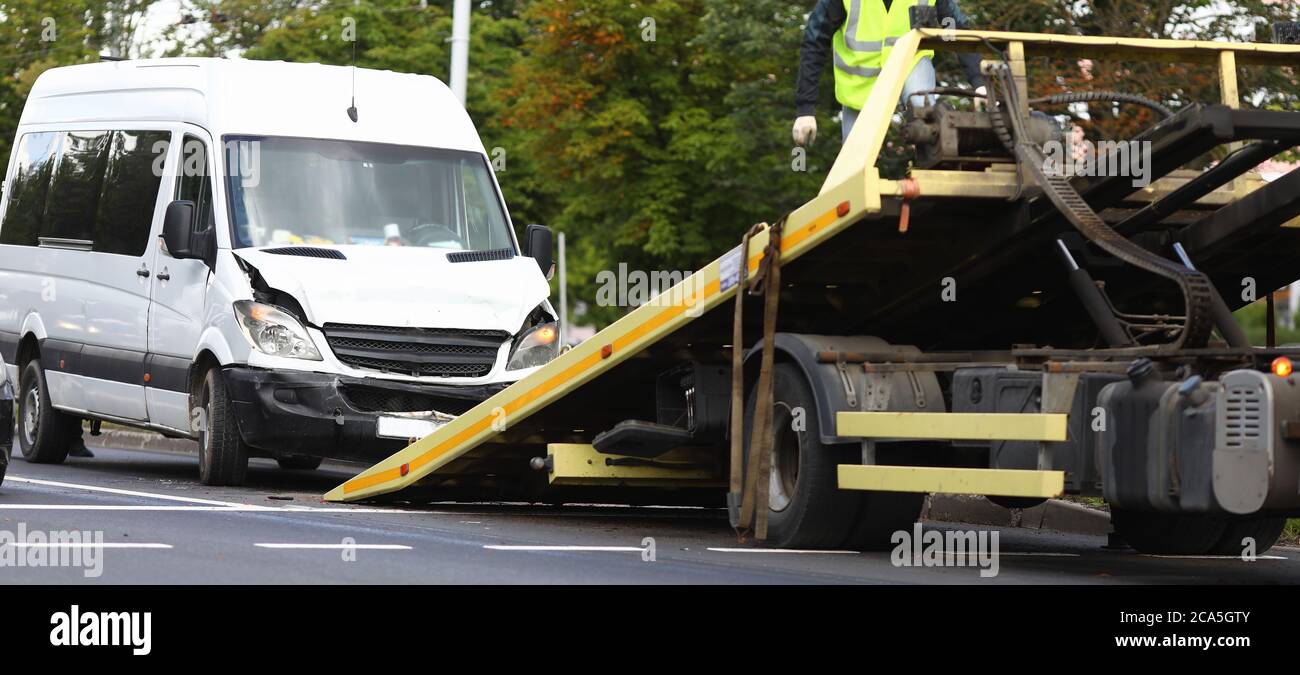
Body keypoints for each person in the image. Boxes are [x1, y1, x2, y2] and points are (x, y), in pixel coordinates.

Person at [793, 0, 988, 146]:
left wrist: (979, 84)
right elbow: (815, 42)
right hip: (860, 89)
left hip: (910, 65)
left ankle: (931, 166)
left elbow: (956, 30)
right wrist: (805, 110)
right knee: (852, 164)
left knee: (924, 111)